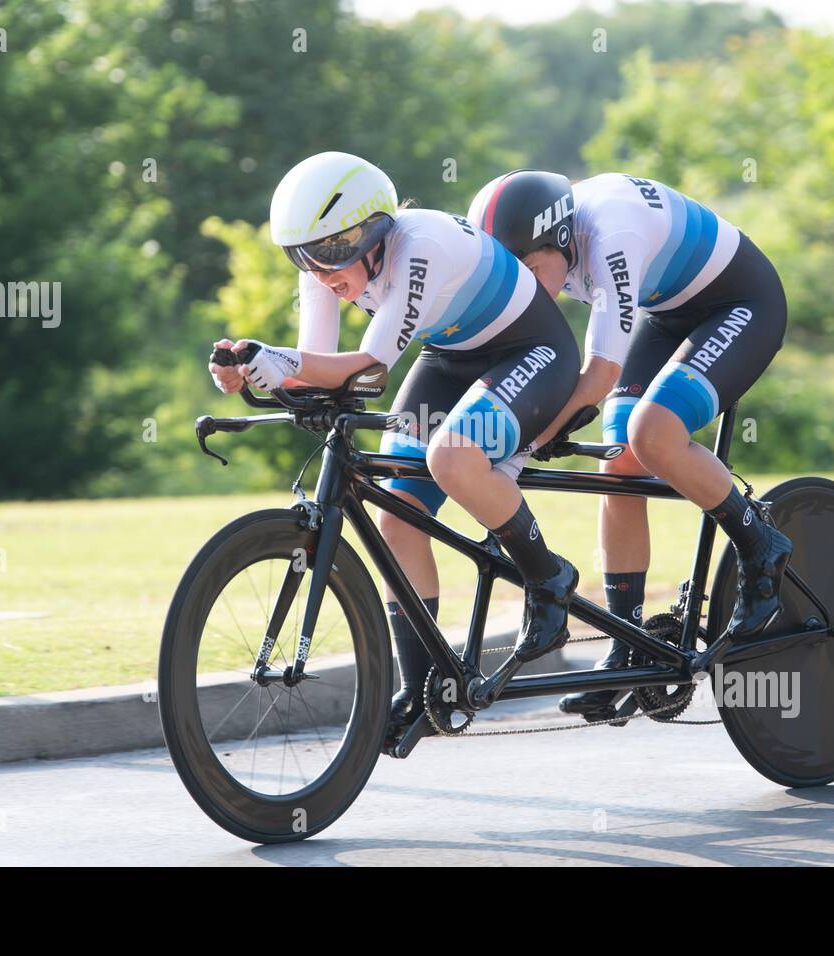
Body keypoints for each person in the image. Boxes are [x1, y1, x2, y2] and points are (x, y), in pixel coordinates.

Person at [209, 152, 581, 738]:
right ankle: (425, 686)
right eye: (303, 255)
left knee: (452, 457)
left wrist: (279, 362)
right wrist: (251, 372)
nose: (321, 269)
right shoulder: (322, 271)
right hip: (451, 360)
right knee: (398, 516)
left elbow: (368, 365)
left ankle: (549, 577)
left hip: (530, 352)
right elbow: (317, 371)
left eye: (333, 250)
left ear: (374, 230)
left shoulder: (418, 244)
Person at [469, 169, 792, 719]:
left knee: (653, 433)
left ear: (564, 239)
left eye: (528, 268)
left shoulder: (612, 233)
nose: (524, 286)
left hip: (741, 305)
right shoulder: (552, 242)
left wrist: (527, 441)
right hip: (666, 313)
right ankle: (627, 641)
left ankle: (761, 546)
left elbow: (597, 373)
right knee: (619, 463)